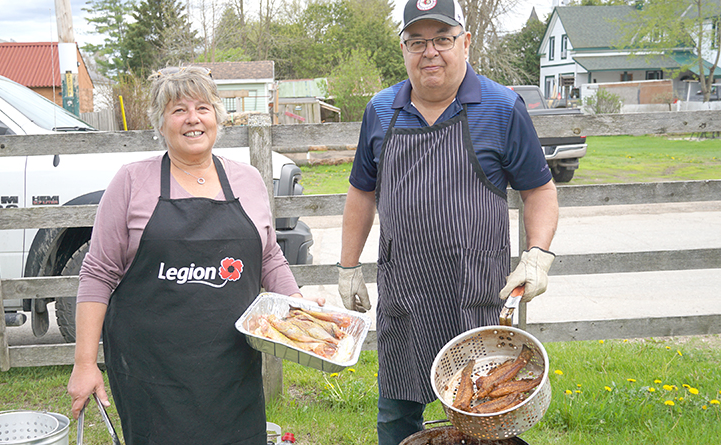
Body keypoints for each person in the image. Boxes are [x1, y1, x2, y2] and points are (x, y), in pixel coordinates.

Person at [336, 1, 559, 443]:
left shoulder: (501, 107)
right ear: (403, 48)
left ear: (466, 42)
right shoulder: (381, 111)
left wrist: (537, 254)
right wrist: (348, 265)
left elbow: (539, 190)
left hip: (476, 294)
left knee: (486, 416)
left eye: (442, 39)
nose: (430, 52)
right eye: (417, 41)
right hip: (406, 296)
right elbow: (362, 192)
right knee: (396, 417)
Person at [66, 66, 322, 445]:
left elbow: (268, 257)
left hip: (232, 367)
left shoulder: (248, 180)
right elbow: (98, 274)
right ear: (161, 122)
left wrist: (298, 305)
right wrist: (84, 363)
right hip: (152, 371)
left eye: (202, 107)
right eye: (178, 109)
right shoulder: (133, 181)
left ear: (217, 116)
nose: (193, 119)